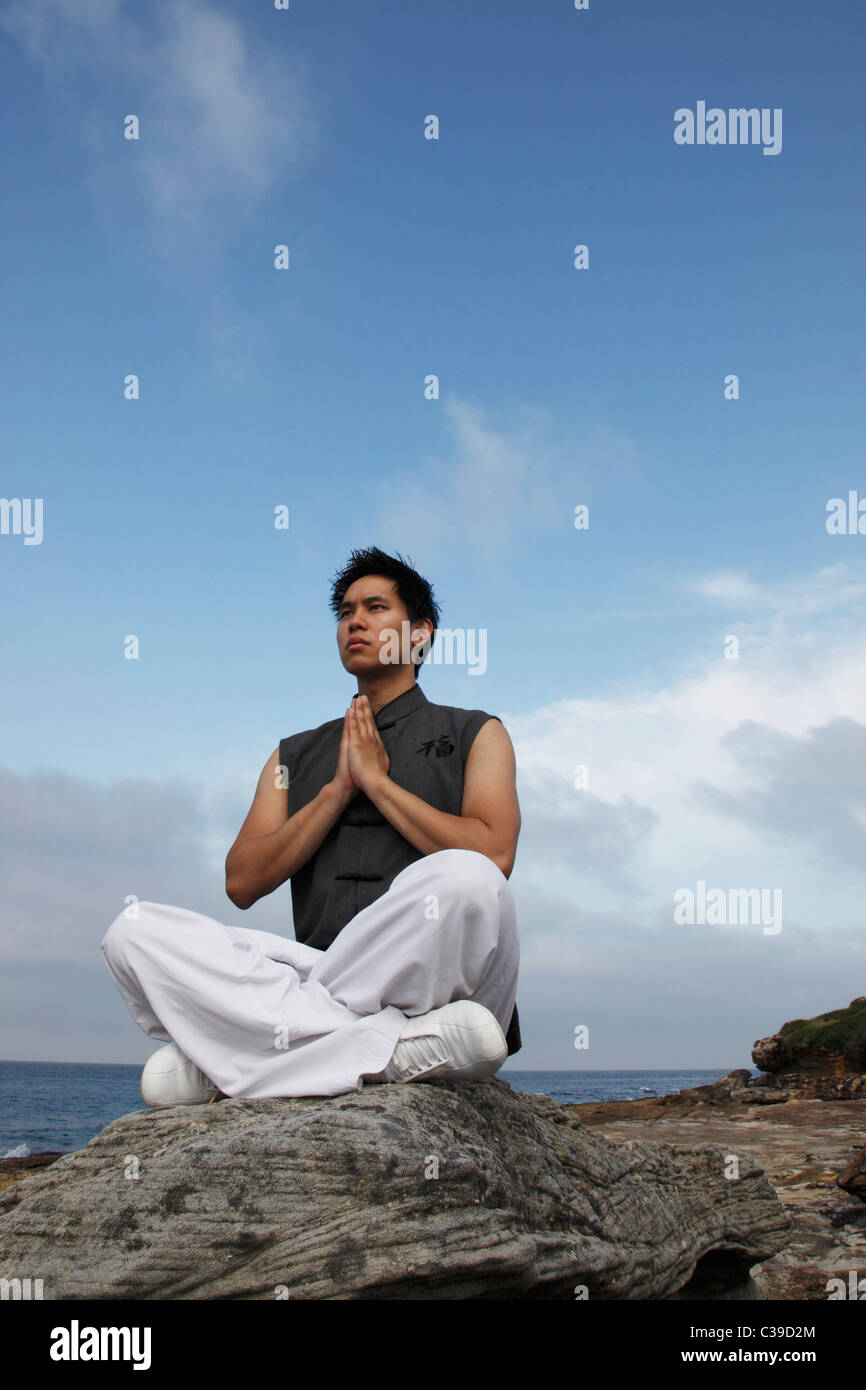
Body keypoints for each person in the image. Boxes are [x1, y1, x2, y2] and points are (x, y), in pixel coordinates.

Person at [101, 546, 522, 1105]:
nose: (356, 621)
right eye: (346, 612)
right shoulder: (292, 756)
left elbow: (494, 857)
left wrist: (378, 784)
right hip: (319, 971)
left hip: (436, 980)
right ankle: (392, 1049)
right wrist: (336, 790)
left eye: (375, 608)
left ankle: (251, 1054)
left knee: (466, 880)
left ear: (420, 633)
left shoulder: (476, 732)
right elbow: (242, 882)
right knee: (132, 932)